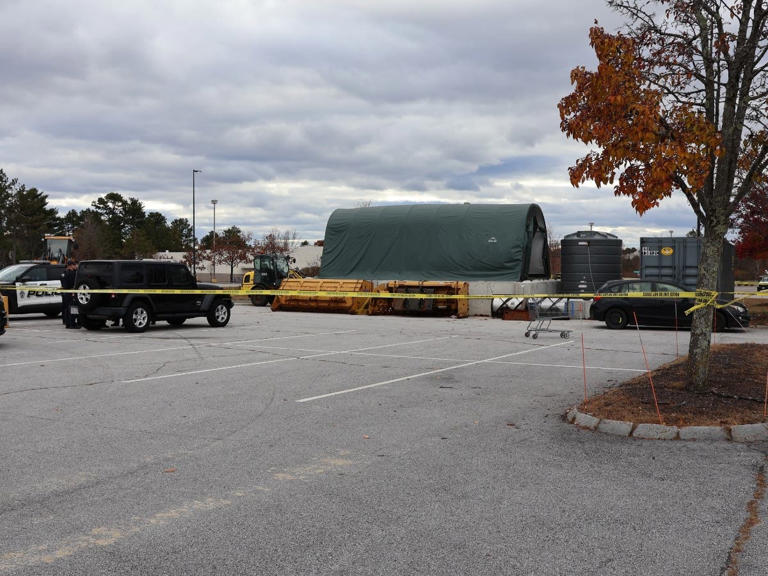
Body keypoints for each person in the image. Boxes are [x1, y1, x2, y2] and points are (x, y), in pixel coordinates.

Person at [61, 259, 79, 329]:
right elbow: (73, 284)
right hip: (71, 292)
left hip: (65, 293)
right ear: (71, 265)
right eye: (74, 265)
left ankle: (67, 323)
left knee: (67, 309)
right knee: (73, 308)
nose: (75, 266)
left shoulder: (63, 273)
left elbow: (64, 284)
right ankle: (73, 324)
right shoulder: (72, 273)